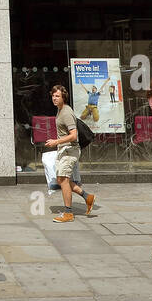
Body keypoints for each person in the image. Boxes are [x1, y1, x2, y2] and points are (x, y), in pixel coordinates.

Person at [44, 84, 95, 222]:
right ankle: (87, 197)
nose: (54, 98)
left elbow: (73, 135)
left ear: (63, 97)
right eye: (53, 96)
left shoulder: (66, 113)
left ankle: (68, 213)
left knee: (64, 179)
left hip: (70, 150)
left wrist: (56, 142)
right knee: (61, 179)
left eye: (57, 96)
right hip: (64, 149)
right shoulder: (60, 110)